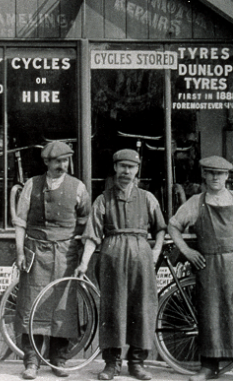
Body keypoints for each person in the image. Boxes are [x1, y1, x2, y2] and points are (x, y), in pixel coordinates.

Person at [167, 156, 233, 381]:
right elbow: (173, 226)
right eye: (210, 173)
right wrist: (187, 251)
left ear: (227, 176)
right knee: (210, 314)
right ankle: (208, 367)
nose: (215, 178)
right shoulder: (196, 202)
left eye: (219, 174)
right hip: (208, 265)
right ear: (204, 175)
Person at [76, 149, 166, 381]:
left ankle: (137, 362)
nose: (126, 171)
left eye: (131, 167)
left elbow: (160, 228)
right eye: (122, 166)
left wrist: (156, 250)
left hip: (141, 255)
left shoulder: (148, 198)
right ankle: (111, 364)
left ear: (137, 170)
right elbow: (92, 235)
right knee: (113, 309)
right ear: (115, 168)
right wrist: (84, 263)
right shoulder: (103, 199)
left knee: (142, 308)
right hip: (112, 254)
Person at [14, 141, 92, 380]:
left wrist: (77, 247)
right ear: (47, 162)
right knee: (32, 305)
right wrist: (19, 251)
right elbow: (20, 222)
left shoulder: (78, 188)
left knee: (63, 308)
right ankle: (31, 361)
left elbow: (86, 220)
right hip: (35, 253)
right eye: (57, 161)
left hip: (65, 254)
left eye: (66, 161)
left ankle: (59, 359)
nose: (62, 165)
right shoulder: (31, 185)